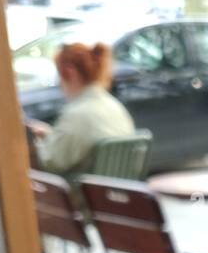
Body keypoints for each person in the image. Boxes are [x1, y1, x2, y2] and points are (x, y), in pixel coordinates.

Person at [29, 42, 135, 178]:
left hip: (82, 191)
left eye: (59, 76)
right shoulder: (115, 106)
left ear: (70, 72)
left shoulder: (77, 114)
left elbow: (51, 162)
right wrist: (51, 134)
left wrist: (33, 142)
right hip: (120, 188)